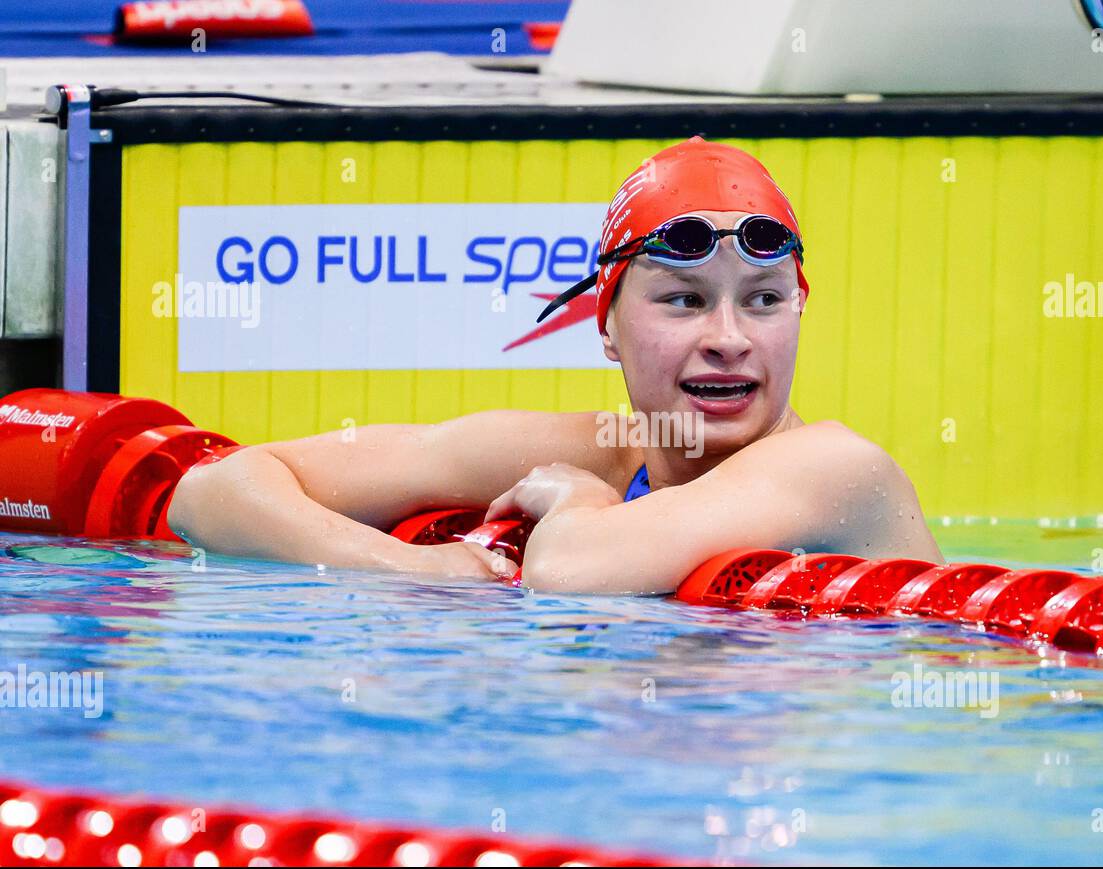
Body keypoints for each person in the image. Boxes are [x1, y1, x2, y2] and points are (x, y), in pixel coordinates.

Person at [169, 136, 943, 594]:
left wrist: (574, 502)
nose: (729, 336)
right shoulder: (601, 452)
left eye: (765, 302)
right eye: (685, 301)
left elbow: (569, 574)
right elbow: (212, 490)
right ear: (606, 326)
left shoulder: (837, 469)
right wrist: (407, 569)